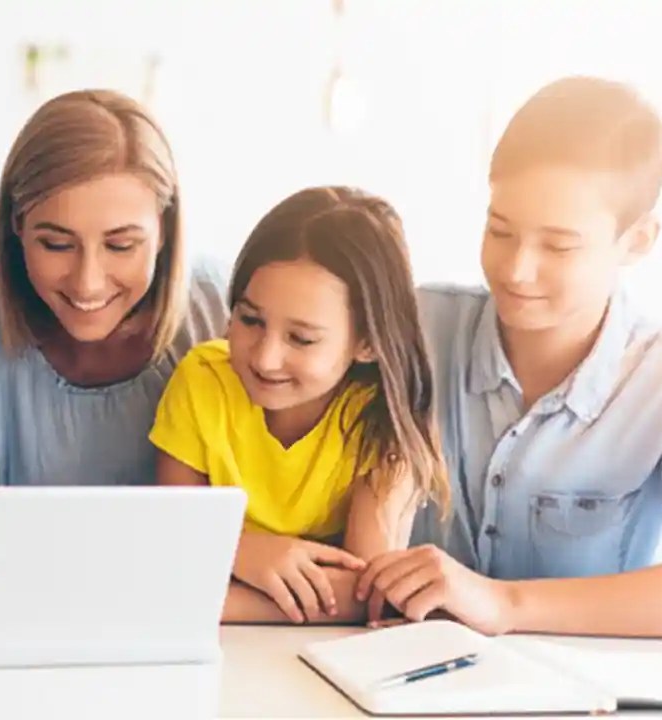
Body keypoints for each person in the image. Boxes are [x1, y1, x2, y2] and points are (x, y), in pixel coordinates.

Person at [358, 76, 662, 638]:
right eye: (499, 230)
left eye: (558, 246)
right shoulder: (411, 330)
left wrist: (505, 604)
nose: (516, 269)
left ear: (637, 241)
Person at [0, 89, 228, 549]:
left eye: (121, 246)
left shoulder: (218, 309)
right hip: (28, 610)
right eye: (56, 244)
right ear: (17, 224)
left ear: (165, 230)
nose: (88, 283)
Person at [153, 186, 451, 624]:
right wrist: (243, 550)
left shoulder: (384, 421)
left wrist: (215, 588)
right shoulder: (203, 382)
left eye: (302, 339)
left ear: (367, 342)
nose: (265, 357)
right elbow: (171, 545)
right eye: (250, 319)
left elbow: (367, 595)